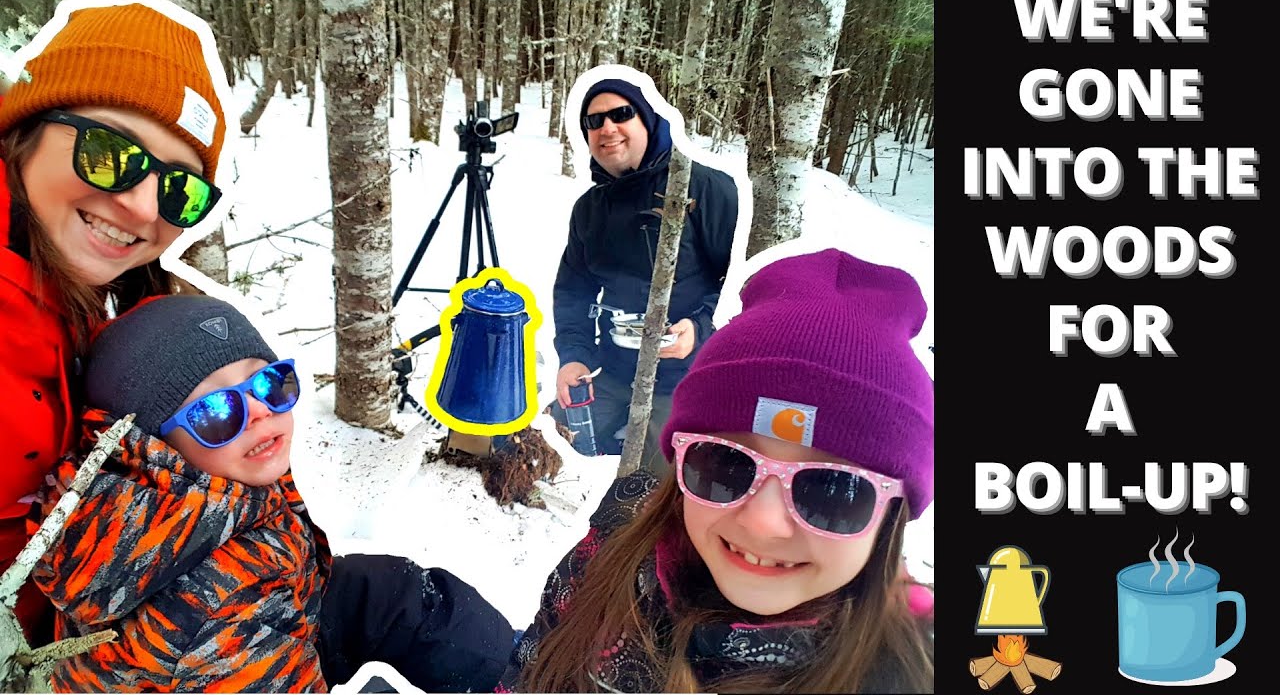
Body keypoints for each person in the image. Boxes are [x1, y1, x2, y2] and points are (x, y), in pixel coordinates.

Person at [503, 248, 935, 693]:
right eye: (725, 464)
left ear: (895, 512)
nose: (763, 522)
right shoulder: (610, 552)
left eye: (831, 491)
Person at [32, 295, 515, 692]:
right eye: (218, 411)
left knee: (393, 593)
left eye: (269, 383)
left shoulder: (209, 487)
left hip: (276, 618)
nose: (260, 412)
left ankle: (523, 672)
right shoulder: (208, 617)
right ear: (152, 448)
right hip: (239, 664)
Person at [1, 0, 228, 641]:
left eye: (180, 188)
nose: (138, 206)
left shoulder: (74, 298)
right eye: (108, 152)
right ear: (26, 128)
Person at [551, 75, 738, 475]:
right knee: (549, 447)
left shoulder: (704, 188)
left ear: (648, 120)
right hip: (615, 369)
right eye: (594, 121)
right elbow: (573, 290)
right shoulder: (590, 208)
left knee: (655, 489)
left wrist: (700, 330)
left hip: (687, 377)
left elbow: (741, 282)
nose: (607, 128)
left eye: (621, 114)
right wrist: (574, 357)